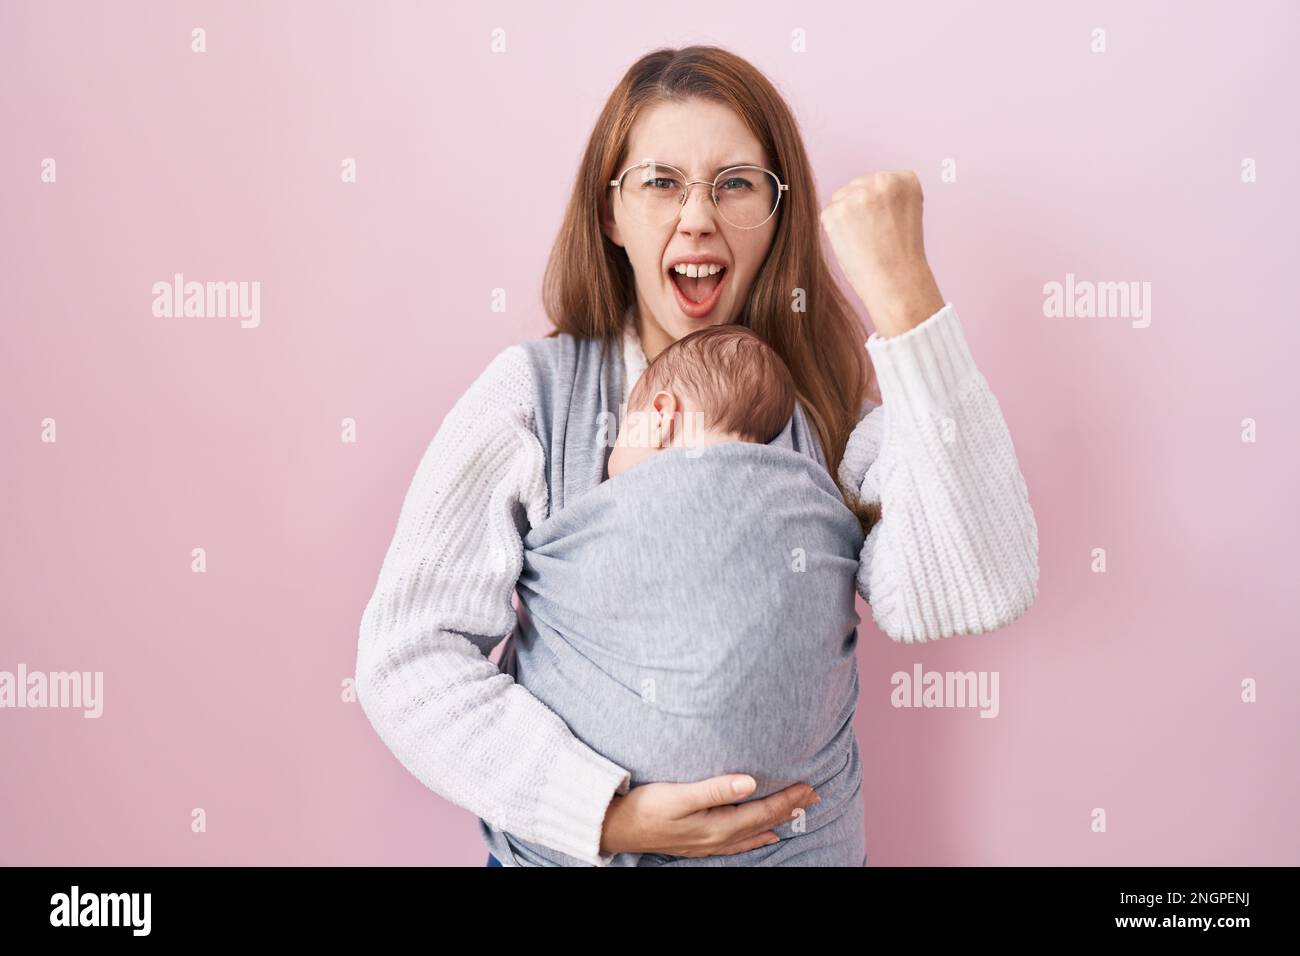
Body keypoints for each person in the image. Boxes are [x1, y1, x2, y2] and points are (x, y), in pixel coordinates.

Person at [354, 44, 1039, 866]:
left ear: (778, 213)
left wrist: (906, 298)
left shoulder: (826, 409)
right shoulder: (531, 398)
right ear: (609, 214)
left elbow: (976, 590)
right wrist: (603, 814)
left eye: (737, 183)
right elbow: (409, 657)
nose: (699, 217)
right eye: (661, 182)